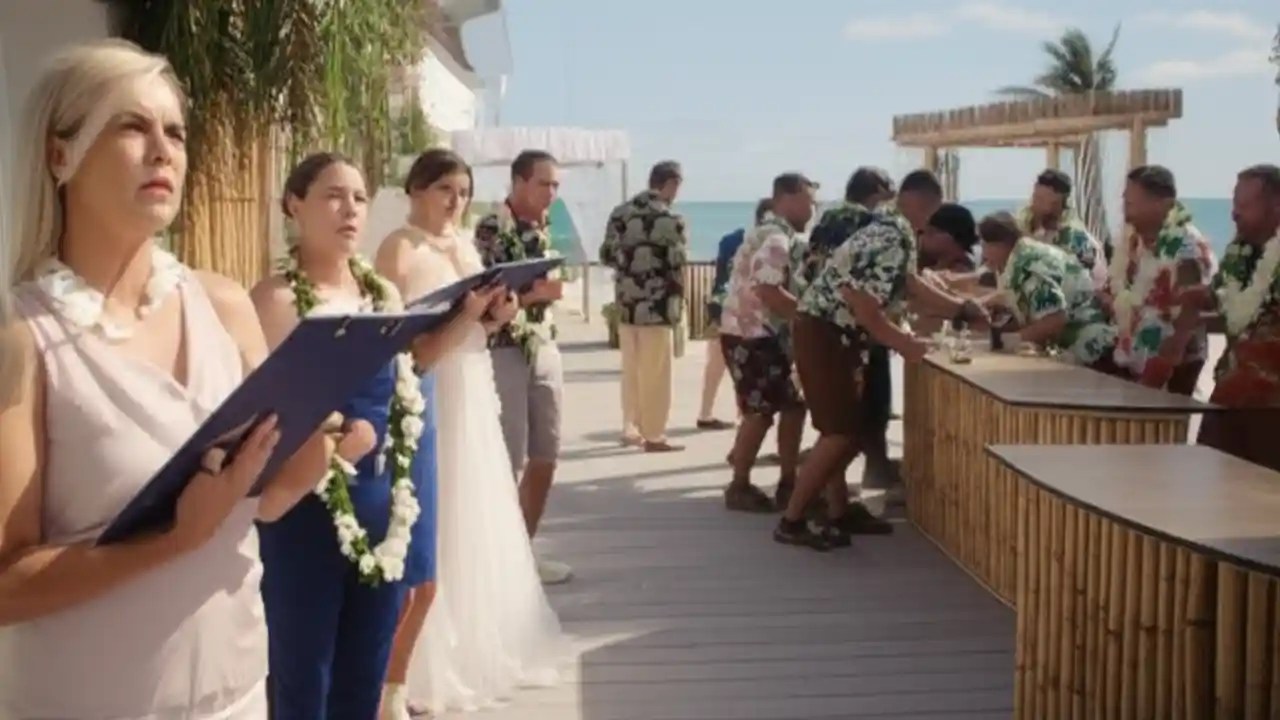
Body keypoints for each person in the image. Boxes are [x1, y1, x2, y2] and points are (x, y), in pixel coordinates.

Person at [0, 40, 336, 717]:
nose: (163, 149)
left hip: (237, 695)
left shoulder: (224, 305)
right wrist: (174, 539)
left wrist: (310, 441)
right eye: (132, 125)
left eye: (176, 132)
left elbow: (268, 502)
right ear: (59, 155)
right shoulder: (21, 335)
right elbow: (6, 583)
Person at [251, 152, 485, 718]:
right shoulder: (274, 300)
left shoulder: (382, 294)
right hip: (307, 510)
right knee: (305, 677)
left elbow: (410, 373)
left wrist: (471, 319)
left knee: (364, 676)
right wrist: (332, 436)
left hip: (383, 509)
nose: (350, 209)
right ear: (294, 205)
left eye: (358, 198)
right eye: (333, 195)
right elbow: (261, 414)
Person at [373, 148, 572, 715]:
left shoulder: (462, 244)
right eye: (444, 191)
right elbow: (404, 338)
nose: (455, 202)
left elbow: (474, 319)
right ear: (416, 190)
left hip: (473, 378)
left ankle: (475, 641)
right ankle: (414, 662)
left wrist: (496, 314)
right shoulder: (399, 248)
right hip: (434, 385)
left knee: (478, 506)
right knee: (439, 512)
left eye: (462, 192)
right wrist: (467, 317)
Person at [781, 170, 985, 550]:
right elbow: (865, 308)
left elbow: (911, 286)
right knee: (840, 432)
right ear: (928, 206)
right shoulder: (893, 236)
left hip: (830, 332)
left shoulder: (894, 230)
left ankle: (837, 511)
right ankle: (793, 519)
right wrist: (905, 344)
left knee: (850, 430)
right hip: (826, 331)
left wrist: (962, 309)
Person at [473, 149, 573, 585]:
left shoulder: (546, 225)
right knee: (508, 456)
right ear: (518, 182)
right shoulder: (492, 228)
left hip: (545, 345)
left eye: (556, 186)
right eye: (543, 184)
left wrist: (545, 294)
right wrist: (534, 295)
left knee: (546, 453)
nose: (551, 193)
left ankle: (524, 552)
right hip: (504, 349)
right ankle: (499, 561)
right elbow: (481, 294)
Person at [718, 174, 816, 512]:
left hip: (749, 332)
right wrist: (807, 317)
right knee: (760, 412)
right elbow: (768, 289)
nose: (812, 209)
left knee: (790, 406)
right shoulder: (776, 238)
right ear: (785, 200)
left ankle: (788, 482)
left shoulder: (770, 233)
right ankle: (741, 485)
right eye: (808, 201)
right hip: (754, 334)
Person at [804, 167, 899, 495]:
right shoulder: (870, 224)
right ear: (878, 191)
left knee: (835, 421)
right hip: (854, 327)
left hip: (819, 322)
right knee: (867, 411)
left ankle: (835, 498)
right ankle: (872, 475)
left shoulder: (826, 220)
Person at [1187, 164, 1280, 471]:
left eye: (1244, 206)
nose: (1234, 214)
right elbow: (1225, 302)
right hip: (1229, 397)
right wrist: (1193, 298)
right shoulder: (1238, 251)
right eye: (1233, 204)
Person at [600, 160, 690, 453]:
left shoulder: (620, 213)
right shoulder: (671, 219)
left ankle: (631, 427)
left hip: (626, 304)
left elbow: (606, 254)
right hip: (657, 306)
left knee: (631, 369)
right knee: (656, 373)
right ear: (671, 183)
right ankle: (654, 434)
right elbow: (677, 266)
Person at [1102, 165, 1215, 393]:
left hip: (1173, 362)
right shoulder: (1133, 242)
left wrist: (1166, 361)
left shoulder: (1185, 245)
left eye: (1133, 197)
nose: (1124, 200)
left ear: (1162, 204)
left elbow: (1190, 307)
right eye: (1126, 195)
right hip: (1133, 356)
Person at [976, 212, 1117, 366]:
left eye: (984, 245)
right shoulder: (1019, 258)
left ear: (999, 244)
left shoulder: (1028, 265)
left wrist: (1006, 342)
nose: (983, 254)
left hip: (1086, 347)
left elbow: (1055, 319)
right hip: (1068, 346)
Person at [700, 198, 772, 431]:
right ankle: (744, 414)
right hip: (746, 312)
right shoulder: (767, 245)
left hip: (721, 305)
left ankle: (706, 412)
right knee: (744, 365)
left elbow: (722, 276)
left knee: (717, 363)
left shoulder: (732, 240)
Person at [1017, 169, 1107, 288]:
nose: (1036, 206)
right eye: (1036, 198)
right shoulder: (1023, 230)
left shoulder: (1078, 240)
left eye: (1043, 200)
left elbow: (1086, 282)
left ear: (1061, 204)